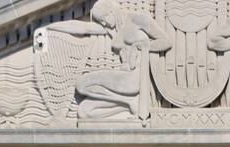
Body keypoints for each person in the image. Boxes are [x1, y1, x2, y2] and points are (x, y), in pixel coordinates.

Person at [40, 0, 172, 120]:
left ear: (111, 12)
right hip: (123, 77)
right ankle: (128, 103)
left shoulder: (138, 20)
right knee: (84, 111)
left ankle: (131, 102)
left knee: (82, 84)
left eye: (103, 19)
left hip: (135, 77)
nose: (102, 23)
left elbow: (165, 41)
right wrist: (49, 26)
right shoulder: (112, 29)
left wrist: (143, 46)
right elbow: (82, 27)